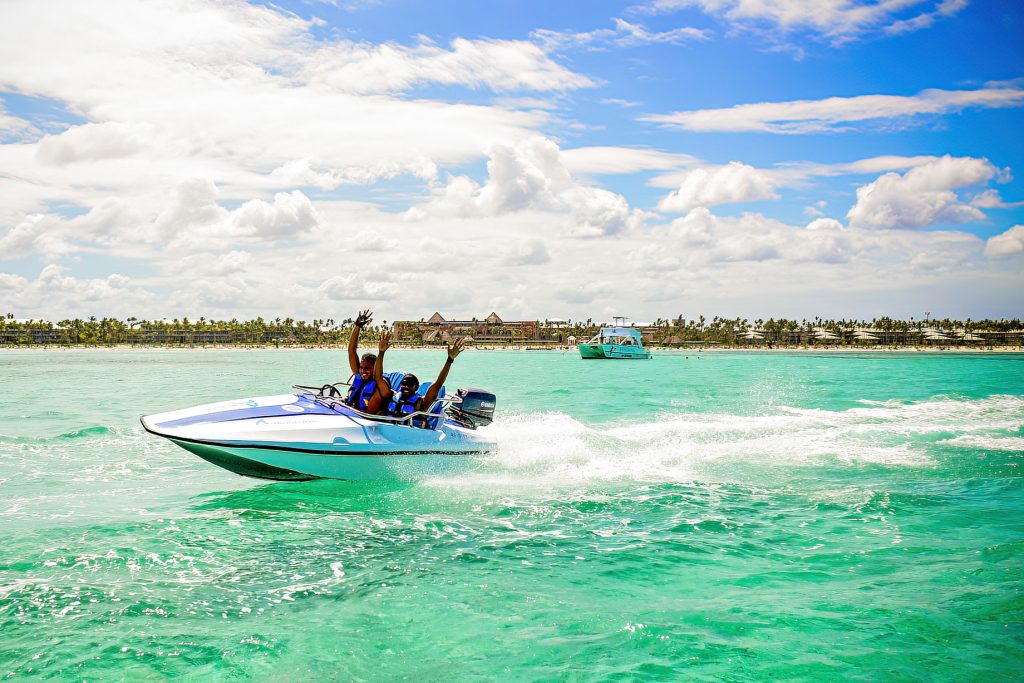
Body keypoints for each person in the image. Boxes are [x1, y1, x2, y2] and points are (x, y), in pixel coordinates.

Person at [374, 330, 465, 428]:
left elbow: (438, 384)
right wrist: (381, 352)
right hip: (389, 432)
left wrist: (450, 359)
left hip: (411, 435)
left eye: (410, 385)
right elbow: (378, 378)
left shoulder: (420, 403)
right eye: (404, 383)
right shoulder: (392, 395)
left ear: (416, 388)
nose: (406, 387)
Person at [344, 309, 386, 413]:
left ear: (374, 368)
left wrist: (381, 352)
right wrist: (358, 326)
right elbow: (351, 351)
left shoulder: (380, 385)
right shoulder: (359, 376)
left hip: (366, 422)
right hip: (349, 414)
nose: (363, 371)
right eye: (361, 368)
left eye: (367, 368)